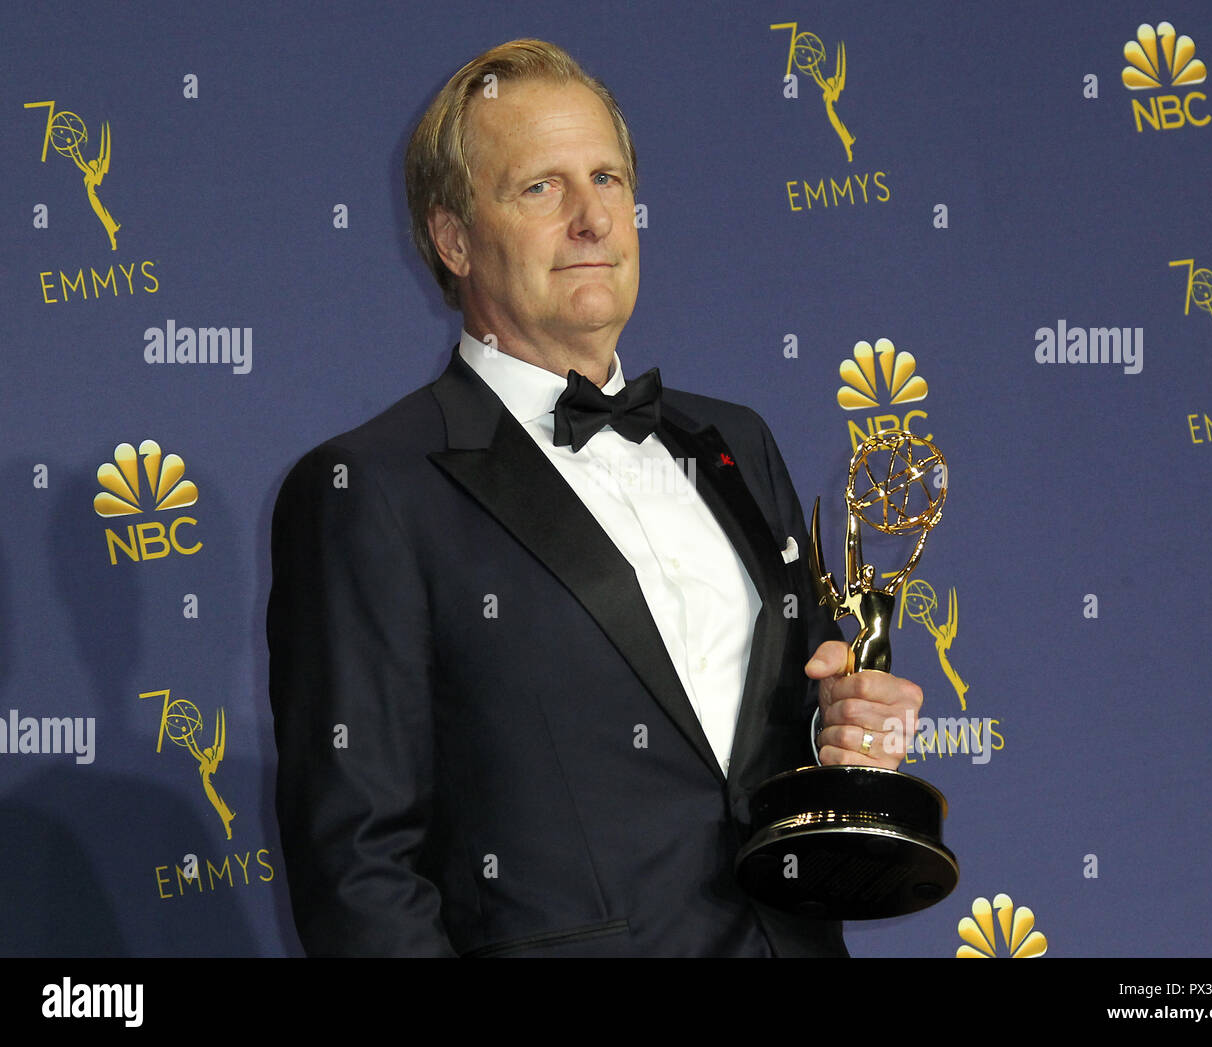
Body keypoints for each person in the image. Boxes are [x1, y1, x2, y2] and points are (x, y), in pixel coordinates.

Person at [267, 39, 924, 957]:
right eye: (541, 187)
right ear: (453, 238)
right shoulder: (369, 490)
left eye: (608, 179)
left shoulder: (736, 443)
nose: (592, 219)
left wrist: (841, 734)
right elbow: (357, 867)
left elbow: (768, 753)